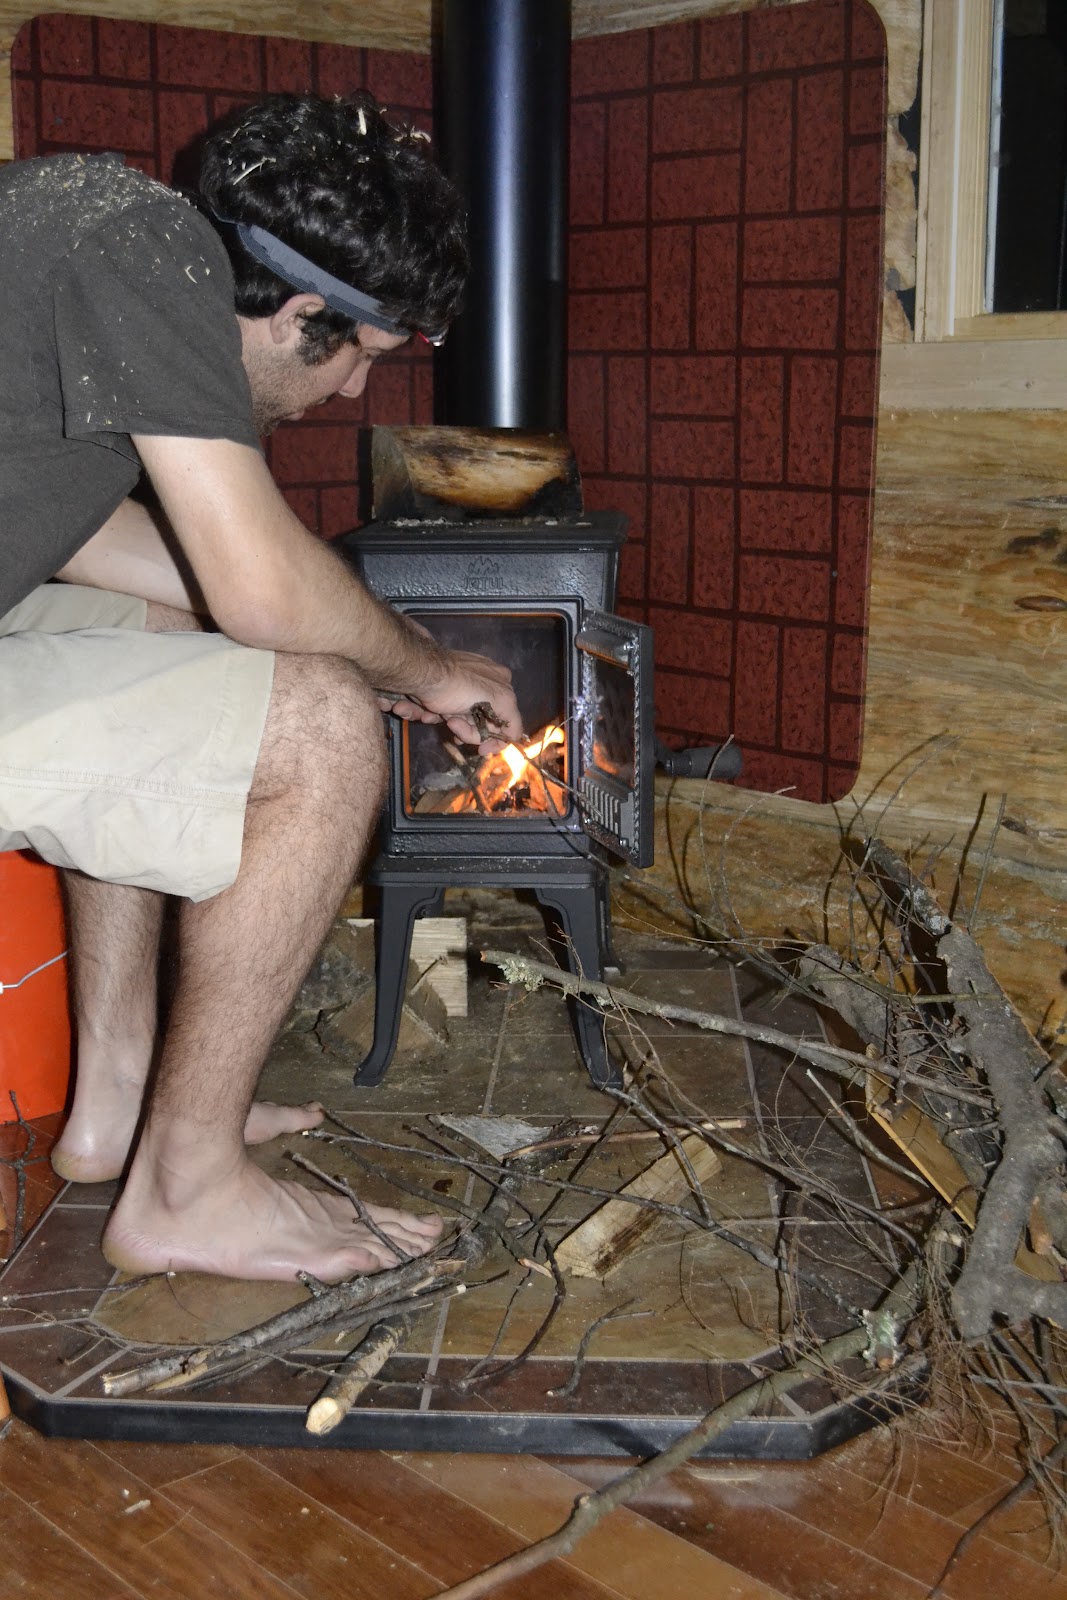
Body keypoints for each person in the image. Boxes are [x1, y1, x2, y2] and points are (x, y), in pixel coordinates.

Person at [0, 92, 522, 1283]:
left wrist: (340, 635)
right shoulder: (147, 249)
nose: (347, 399)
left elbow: (104, 553)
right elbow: (255, 585)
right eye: (360, 361)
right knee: (320, 730)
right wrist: (417, 667)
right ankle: (188, 1191)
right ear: (299, 315)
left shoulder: (86, 220)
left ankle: (123, 1107)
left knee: (191, 653)